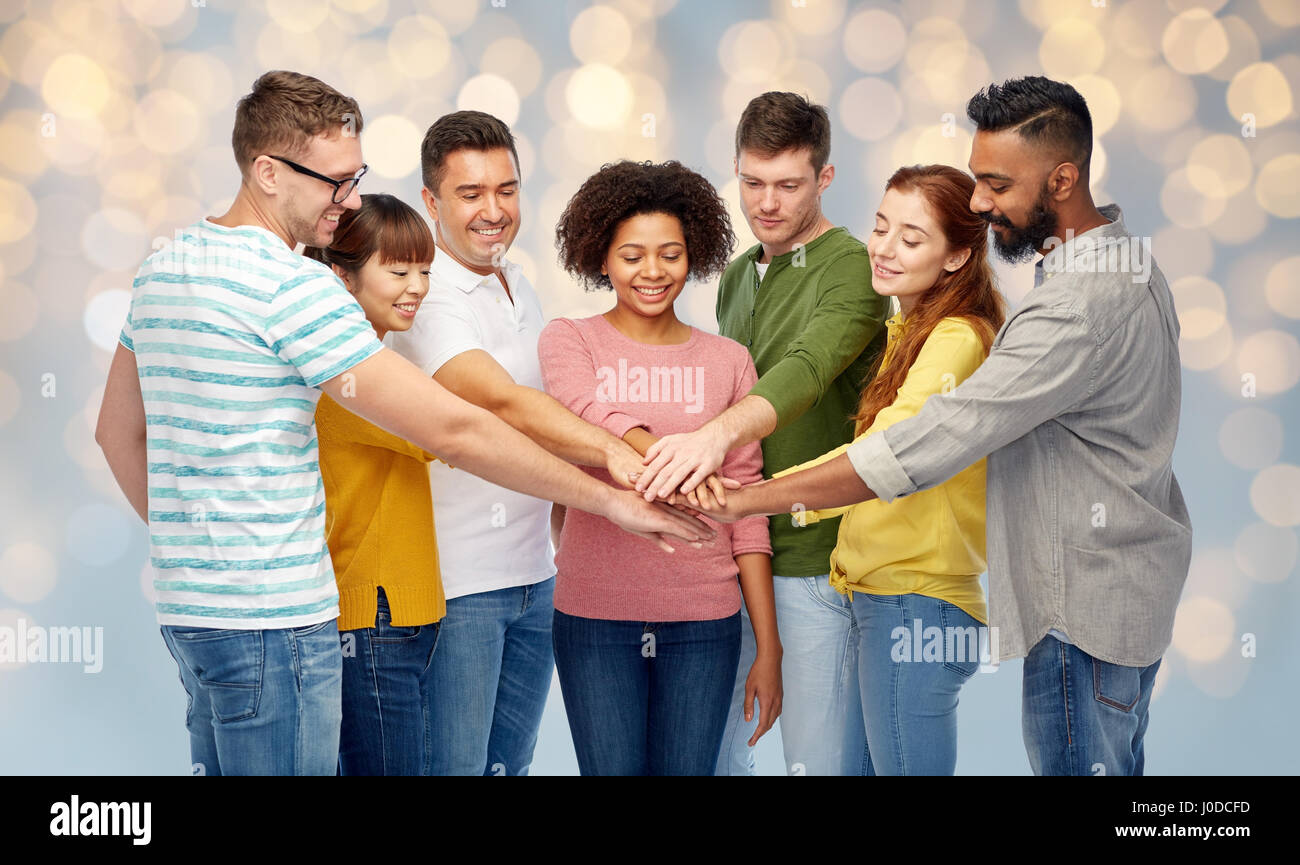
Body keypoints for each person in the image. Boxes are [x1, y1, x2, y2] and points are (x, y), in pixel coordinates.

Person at [93, 70, 713, 776]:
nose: (350, 199)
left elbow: (117, 434)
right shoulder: (293, 286)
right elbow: (456, 428)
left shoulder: (165, 267)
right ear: (267, 172)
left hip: (191, 612)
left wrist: (202, 555)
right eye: (334, 181)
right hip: (277, 621)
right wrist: (609, 496)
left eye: (354, 177)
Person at [694, 77, 1192, 777]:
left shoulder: (1068, 309)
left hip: (1073, 609)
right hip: (1109, 597)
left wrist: (744, 496)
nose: (981, 202)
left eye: (995, 184)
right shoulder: (1116, 271)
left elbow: (912, 450)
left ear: (1062, 178)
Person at [386, 112, 703, 776]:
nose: (493, 210)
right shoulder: (427, 293)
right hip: (459, 589)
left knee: (510, 766)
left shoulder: (515, 283)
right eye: (470, 194)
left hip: (533, 580)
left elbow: (558, 408)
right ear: (430, 203)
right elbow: (501, 402)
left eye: (507, 189)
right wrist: (614, 454)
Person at [632, 92, 889, 775]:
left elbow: (804, 372)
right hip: (734, 559)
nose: (766, 203)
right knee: (714, 759)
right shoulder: (740, 274)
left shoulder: (857, 270)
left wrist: (711, 437)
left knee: (818, 762)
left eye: (788, 185)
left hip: (817, 561)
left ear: (825, 179)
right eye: (751, 183)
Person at [538, 160, 781, 775]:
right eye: (632, 255)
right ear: (600, 258)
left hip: (705, 618)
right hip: (594, 615)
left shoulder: (729, 360)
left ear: (693, 254)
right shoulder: (570, 339)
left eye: (670, 254)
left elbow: (748, 507)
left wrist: (768, 644)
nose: (652, 272)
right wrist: (676, 459)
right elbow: (585, 413)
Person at [773, 164, 1005, 775]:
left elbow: (880, 456)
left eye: (912, 237)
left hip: (916, 603)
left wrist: (754, 497)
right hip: (884, 602)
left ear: (957, 256)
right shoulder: (908, 332)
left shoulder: (956, 339)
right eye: (880, 228)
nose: (884, 249)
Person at [304, 193, 444, 775]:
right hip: (372, 619)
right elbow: (458, 436)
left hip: (400, 613)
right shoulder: (351, 379)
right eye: (398, 269)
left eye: (425, 270)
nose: (416, 286)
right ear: (342, 275)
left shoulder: (376, 364)